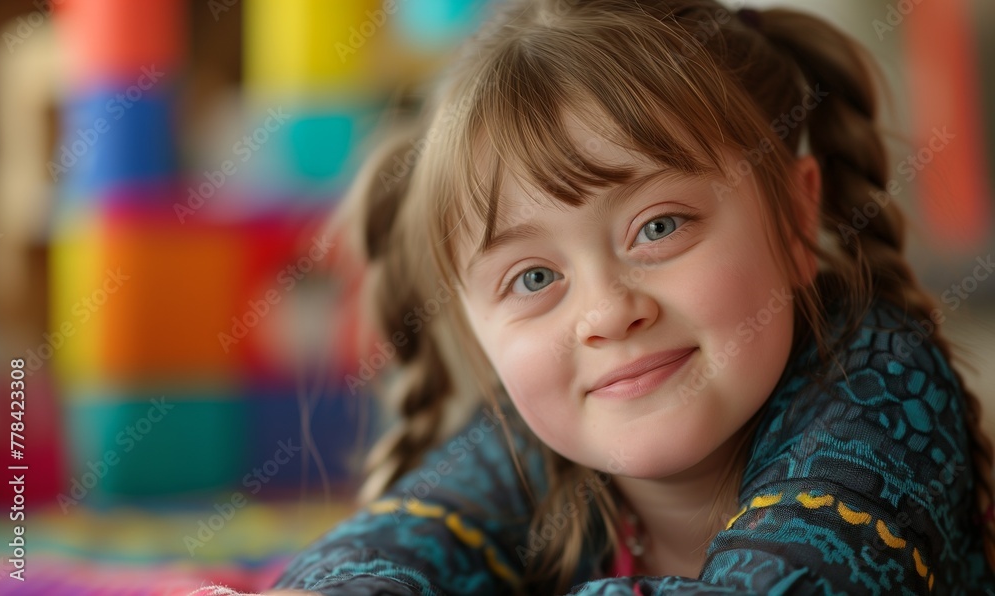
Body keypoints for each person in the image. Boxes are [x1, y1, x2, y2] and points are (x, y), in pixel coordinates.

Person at [216, 1, 995, 594]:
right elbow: (384, 547)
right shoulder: (536, 444)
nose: (607, 312)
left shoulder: (882, 386)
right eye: (533, 279)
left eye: (659, 226)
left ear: (796, 218)